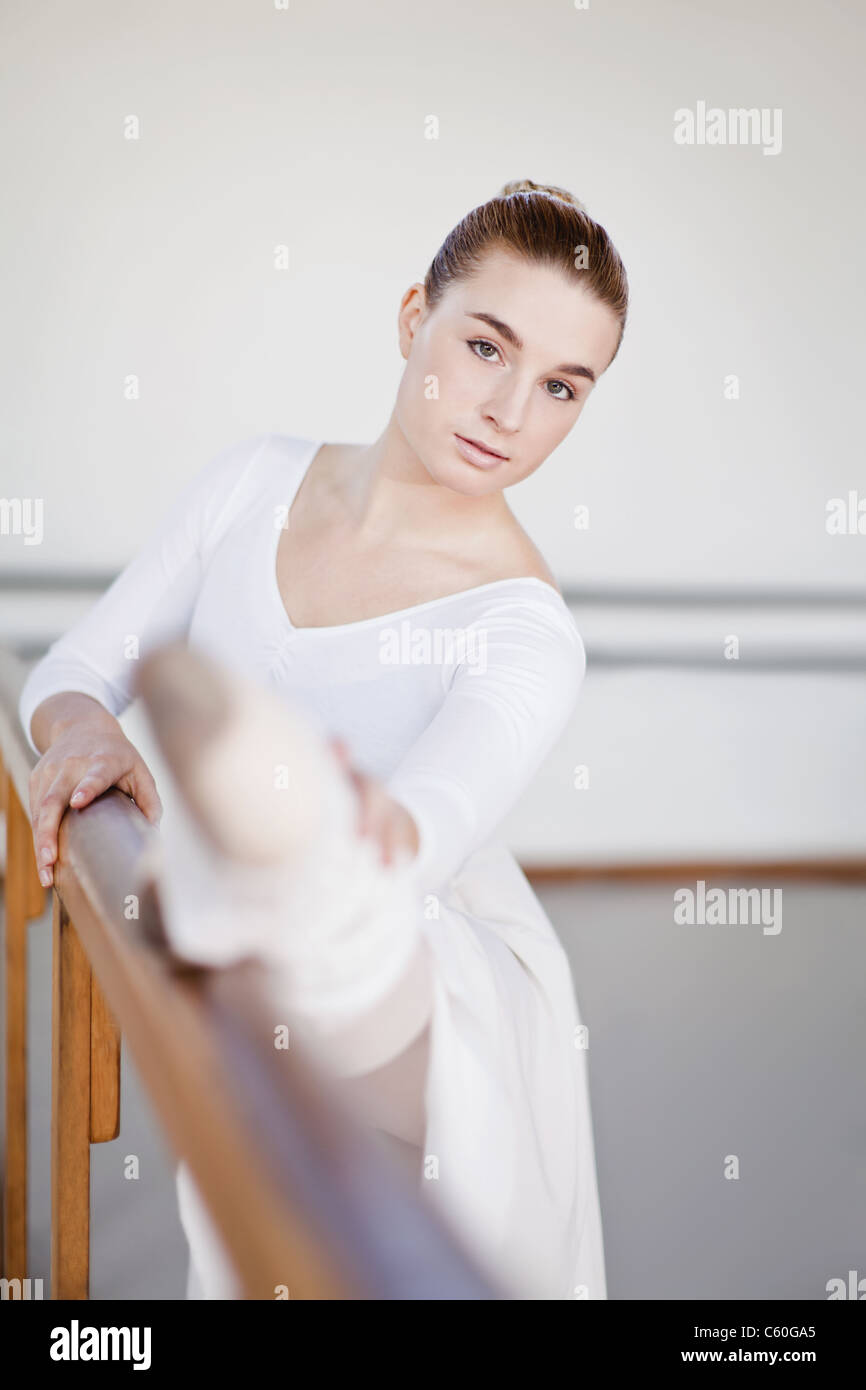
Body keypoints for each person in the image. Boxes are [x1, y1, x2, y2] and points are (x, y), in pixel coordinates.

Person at [19, 177, 629, 1299]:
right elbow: (66, 671)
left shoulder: (525, 627)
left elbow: (426, 832)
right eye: (486, 347)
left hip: (432, 988)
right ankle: (261, 848)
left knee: (353, 919)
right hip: (273, 952)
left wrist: (326, 828)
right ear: (413, 319)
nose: (507, 412)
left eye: (558, 387)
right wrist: (90, 733)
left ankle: (278, 843)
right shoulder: (251, 484)